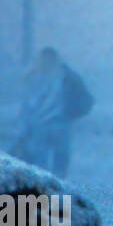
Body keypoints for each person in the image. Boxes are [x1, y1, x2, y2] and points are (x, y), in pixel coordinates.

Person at [15, 47, 93, 178]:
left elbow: (27, 105)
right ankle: (58, 187)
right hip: (60, 123)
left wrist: (24, 128)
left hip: (42, 125)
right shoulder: (65, 75)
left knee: (41, 162)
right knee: (59, 161)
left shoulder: (33, 76)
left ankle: (44, 188)